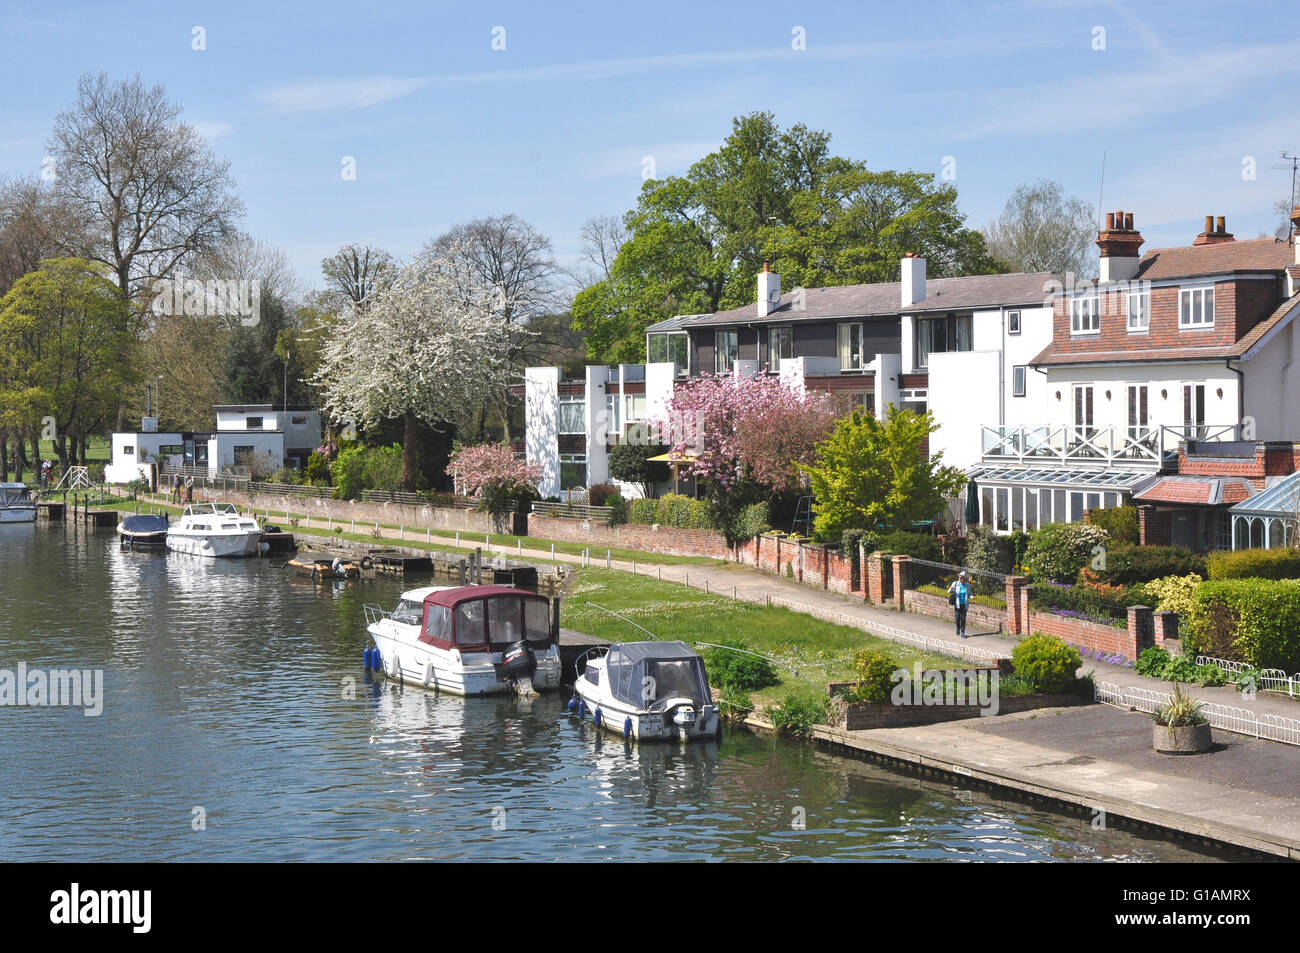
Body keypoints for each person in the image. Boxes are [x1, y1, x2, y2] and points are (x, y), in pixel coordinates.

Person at [947, 571, 972, 639]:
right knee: (957, 618)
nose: (959, 578)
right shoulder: (955, 584)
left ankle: (963, 632)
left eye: (961, 577)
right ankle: (958, 627)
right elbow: (948, 592)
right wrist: (951, 588)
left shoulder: (967, 585)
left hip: (964, 604)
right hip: (957, 604)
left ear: (964, 578)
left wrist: (972, 597)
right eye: (959, 577)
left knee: (963, 619)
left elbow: (969, 594)